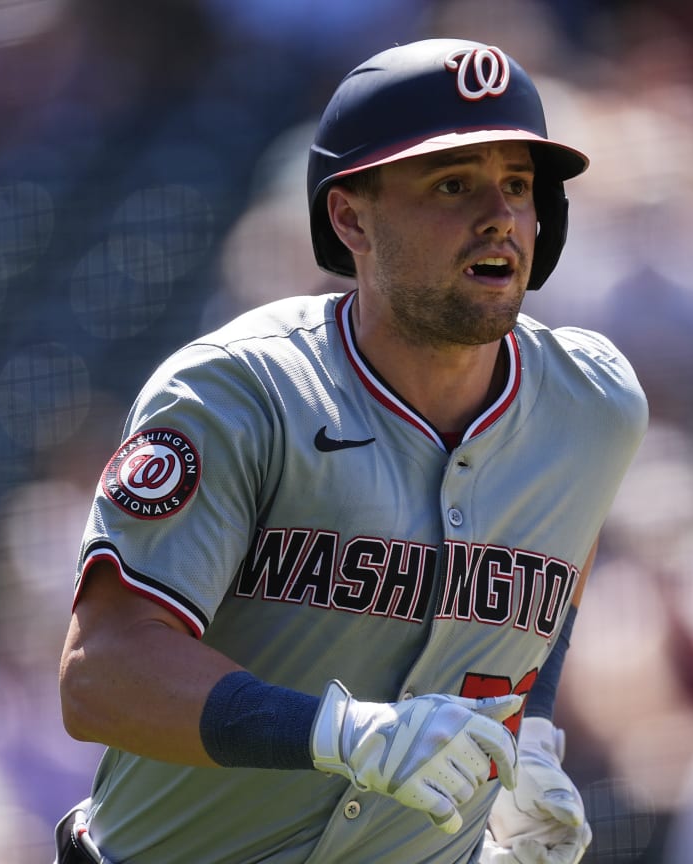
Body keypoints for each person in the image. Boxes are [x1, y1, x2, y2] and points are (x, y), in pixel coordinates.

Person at [56, 37, 648, 864]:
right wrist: (335, 732)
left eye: (517, 185)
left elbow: (561, 563)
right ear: (349, 217)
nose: (499, 217)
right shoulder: (241, 392)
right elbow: (101, 676)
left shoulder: (593, 407)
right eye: (453, 184)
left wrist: (535, 728)